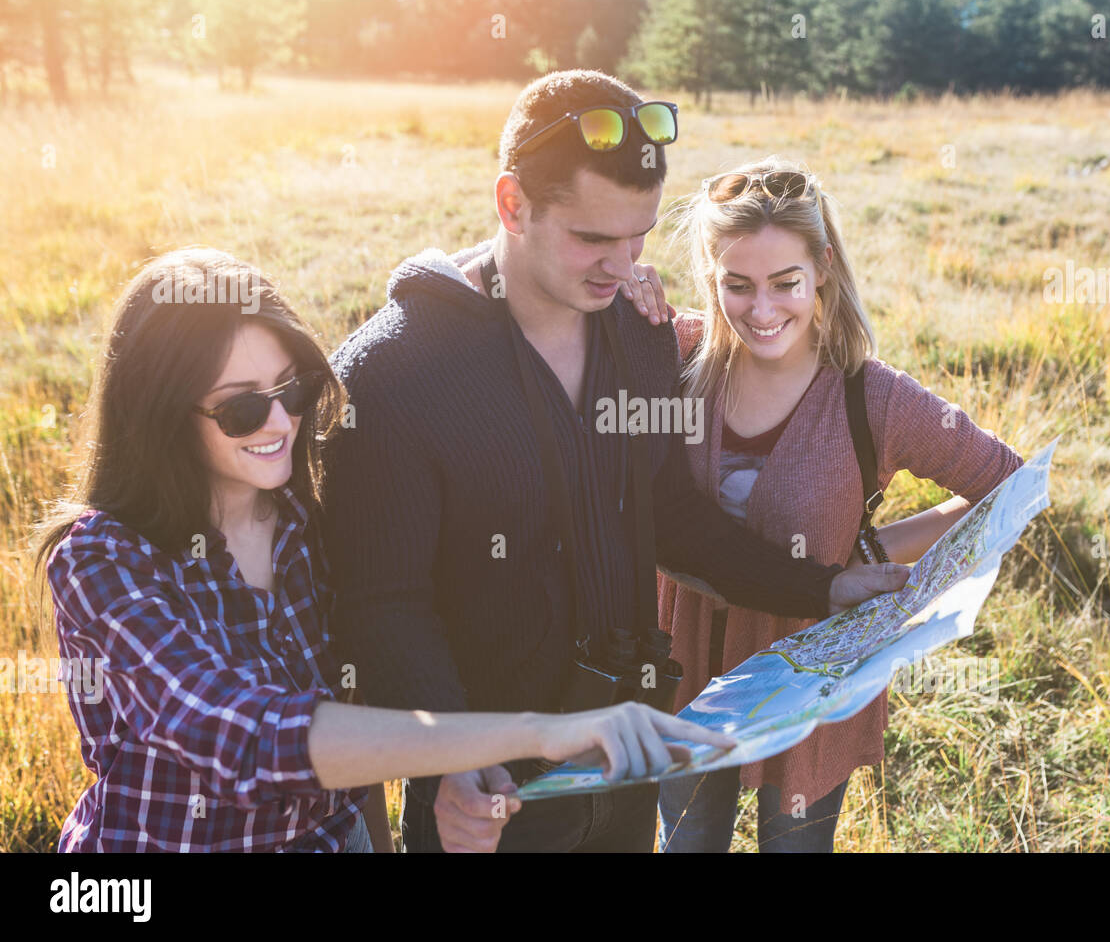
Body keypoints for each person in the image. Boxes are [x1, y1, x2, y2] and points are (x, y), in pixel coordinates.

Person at [320, 70, 912, 853]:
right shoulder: (391, 375)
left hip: (626, 765)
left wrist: (823, 585)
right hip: (490, 801)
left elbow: (668, 511)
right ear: (511, 204)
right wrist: (452, 767)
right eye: (593, 238)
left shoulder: (637, 333)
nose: (620, 264)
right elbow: (382, 607)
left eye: (637, 236)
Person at [35, 247, 734, 853]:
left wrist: (602, 267)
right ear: (160, 415)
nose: (280, 422)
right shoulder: (103, 561)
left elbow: (357, 698)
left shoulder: (308, 520)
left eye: (296, 387)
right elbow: (247, 736)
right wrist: (534, 735)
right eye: (242, 407)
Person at [654, 157, 1025, 852]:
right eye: (737, 285)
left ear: (822, 267)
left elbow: (1009, 483)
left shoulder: (872, 396)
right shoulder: (674, 358)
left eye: (785, 283)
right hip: (687, 673)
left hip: (810, 672)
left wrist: (875, 552)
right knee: (686, 842)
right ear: (711, 275)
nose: (761, 312)